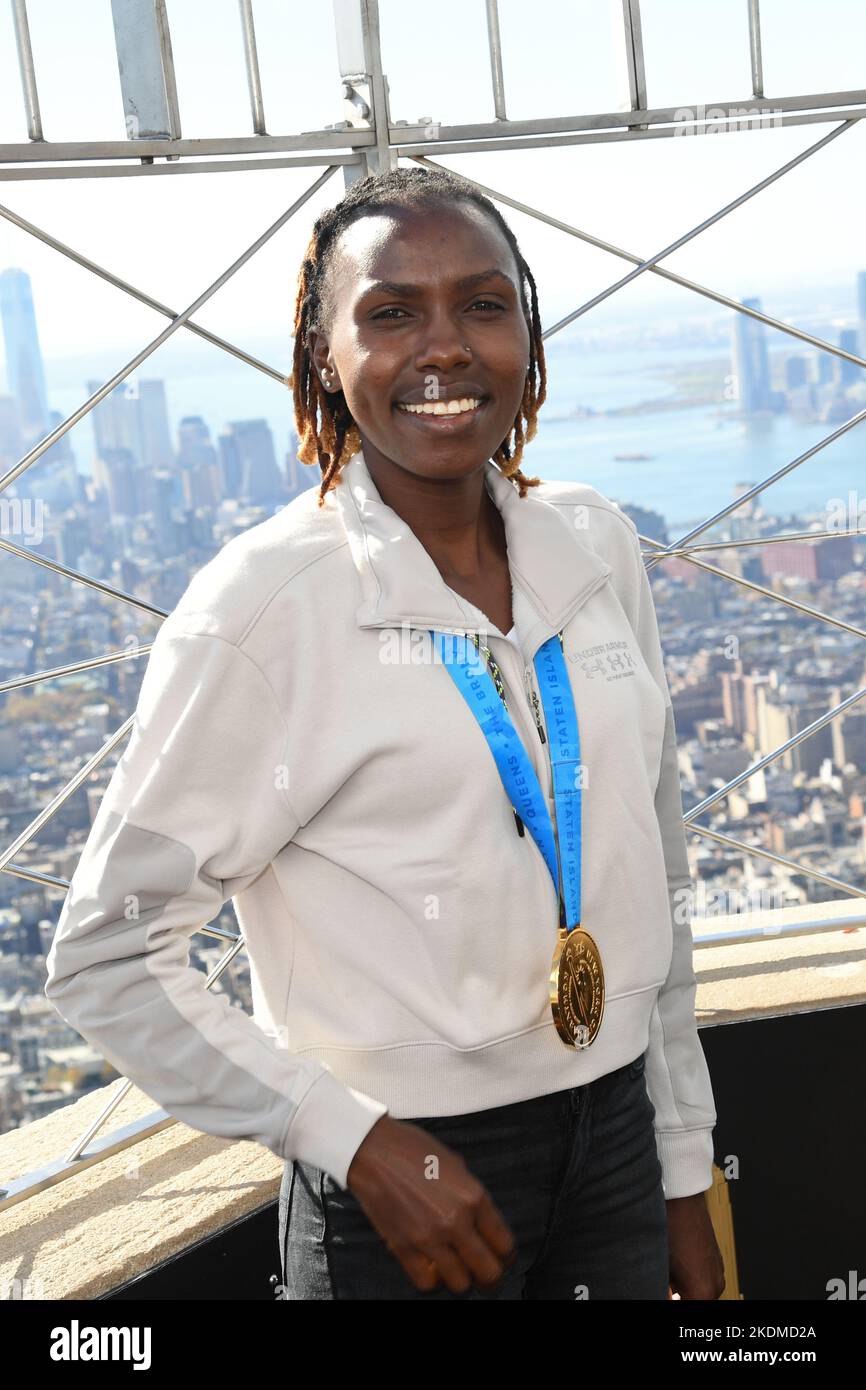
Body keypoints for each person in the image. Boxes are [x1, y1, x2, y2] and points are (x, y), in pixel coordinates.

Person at [45, 165, 725, 1301]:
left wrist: (678, 1166)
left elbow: (651, 875)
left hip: (613, 1135)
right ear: (324, 353)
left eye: (481, 303)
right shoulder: (264, 604)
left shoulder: (593, 547)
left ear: (527, 330)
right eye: (391, 312)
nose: (444, 347)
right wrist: (354, 1141)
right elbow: (107, 954)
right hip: (407, 1175)